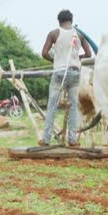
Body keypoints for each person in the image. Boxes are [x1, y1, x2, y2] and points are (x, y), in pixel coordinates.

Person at [39, 10, 93, 147]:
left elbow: (44, 53)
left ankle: (46, 139)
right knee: (74, 106)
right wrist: (78, 58)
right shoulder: (79, 34)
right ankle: (73, 139)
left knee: (52, 105)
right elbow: (88, 53)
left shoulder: (54, 33)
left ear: (59, 21)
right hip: (75, 72)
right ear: (71, 20)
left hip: (58, 72)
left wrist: (54, 60)